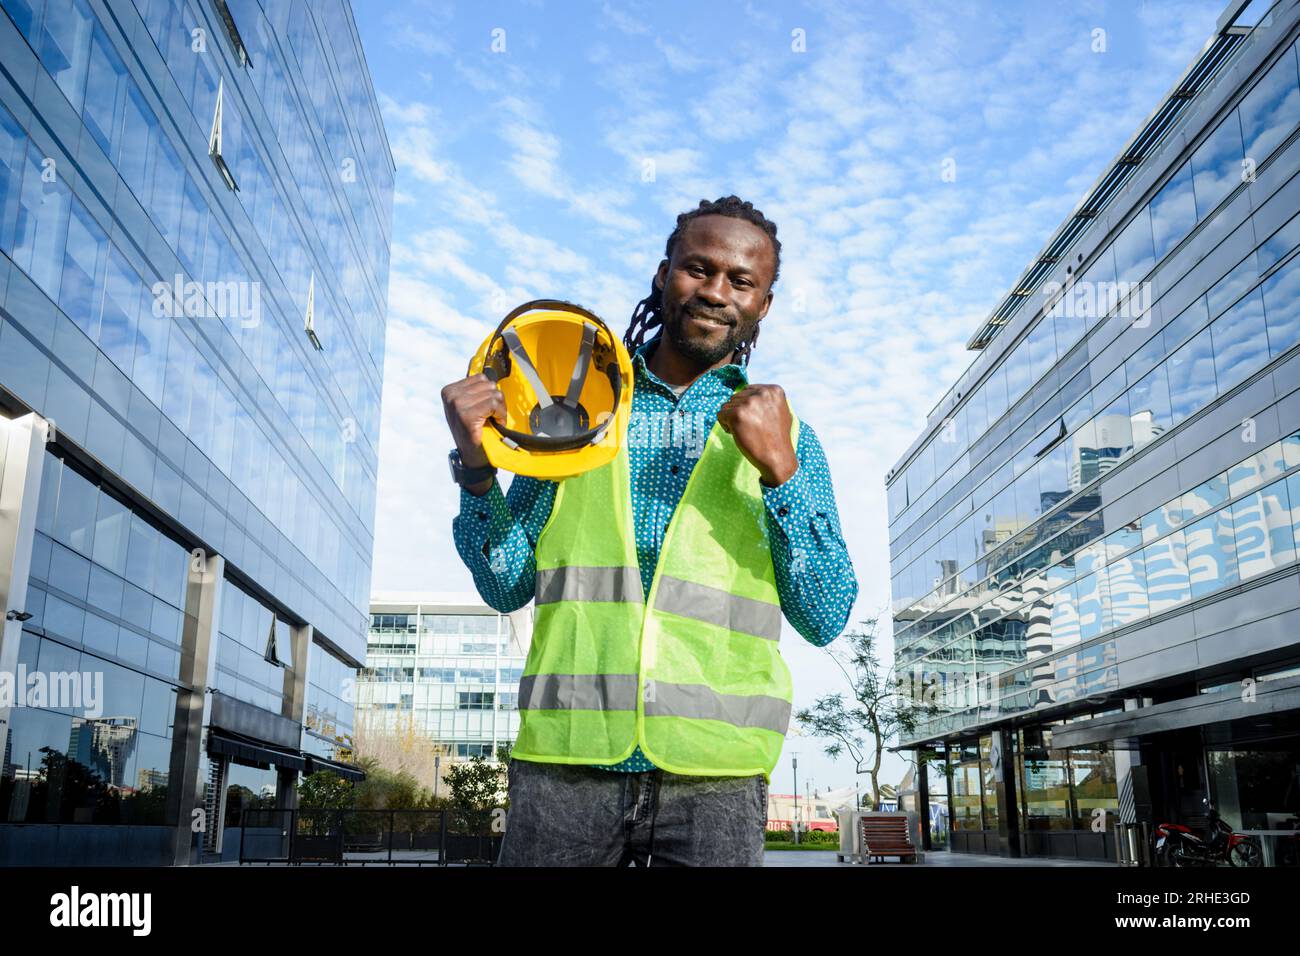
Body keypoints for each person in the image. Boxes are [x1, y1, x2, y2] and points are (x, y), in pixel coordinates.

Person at [441, 195, 858, 866]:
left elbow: (825, 613)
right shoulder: (575, 410)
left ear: (764, 303)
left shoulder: (793, 441)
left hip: (716, 778)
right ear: (664, 275)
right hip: (564, 770)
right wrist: (476, 470)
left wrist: (781, 471)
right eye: (699, 268)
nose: (716, 291)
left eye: (740, 279)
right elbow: (504, 582)